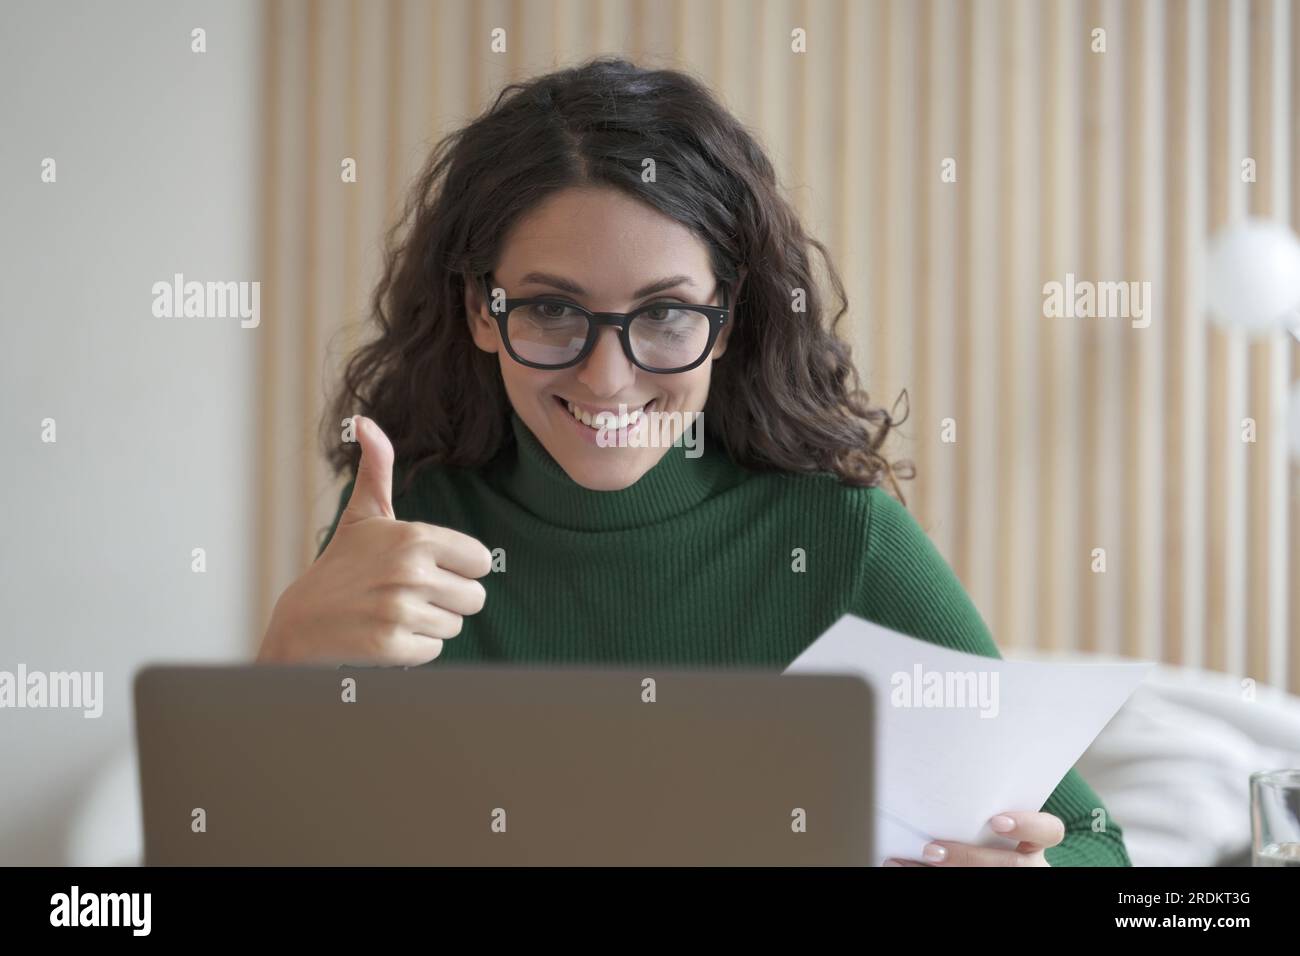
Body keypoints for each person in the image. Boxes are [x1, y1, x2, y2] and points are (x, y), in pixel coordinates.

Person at [256, 56, 1130, 867]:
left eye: (665, 315)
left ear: (729, 319)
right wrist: (287, 656)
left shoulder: (840, 536)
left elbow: (1097, 841)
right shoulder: (407, 524)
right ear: (483, 313)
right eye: (553, 309)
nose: (608, 377)